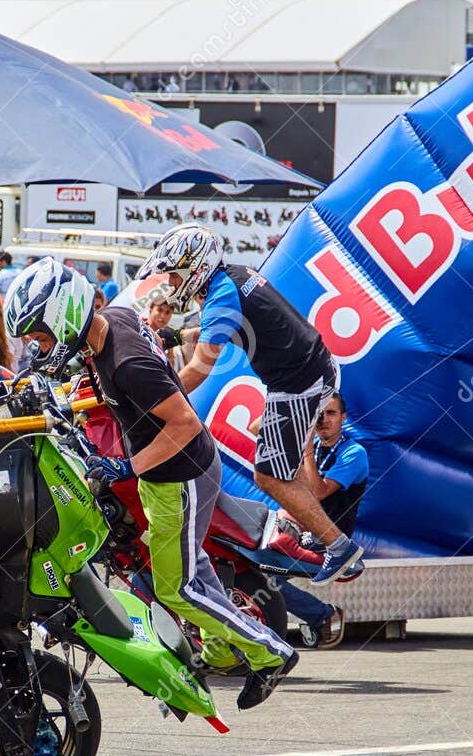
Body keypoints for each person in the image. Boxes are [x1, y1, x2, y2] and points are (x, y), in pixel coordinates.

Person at [5, 257, 298, 710]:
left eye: (41, 335)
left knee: (177, 588)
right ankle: (217, 651)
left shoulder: (127, 362)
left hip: (178, 476)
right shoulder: (112, 325)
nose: (39, 346)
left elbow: (181, 423)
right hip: (179, 471)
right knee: (193, 572)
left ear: (63, 317)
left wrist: (129, 466)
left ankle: (270, 652)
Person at [145, 223, 363, 584]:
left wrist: (150, 401)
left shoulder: (221, 294)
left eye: (172, 274)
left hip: (298, 384)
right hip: (313, 370)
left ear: (193, 267)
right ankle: (316, 534)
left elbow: (199, 368)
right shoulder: (234, 277)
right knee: (280, 461)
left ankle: (340, 549)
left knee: (268, 476)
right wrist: (174, 336)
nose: (169, 282)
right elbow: (224, 327)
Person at [277, 392, 369, 649]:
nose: (324, 420)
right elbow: (256, 428)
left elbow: (317, 492)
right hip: (299, 533)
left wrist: (305, 449)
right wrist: (290, 411)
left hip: (329, 543)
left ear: (343, 417)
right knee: (248, 563)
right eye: (319, 414)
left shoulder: (354, 453)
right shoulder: (314, 447)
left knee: (265, 578)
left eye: (331, 413)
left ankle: (323, 615)